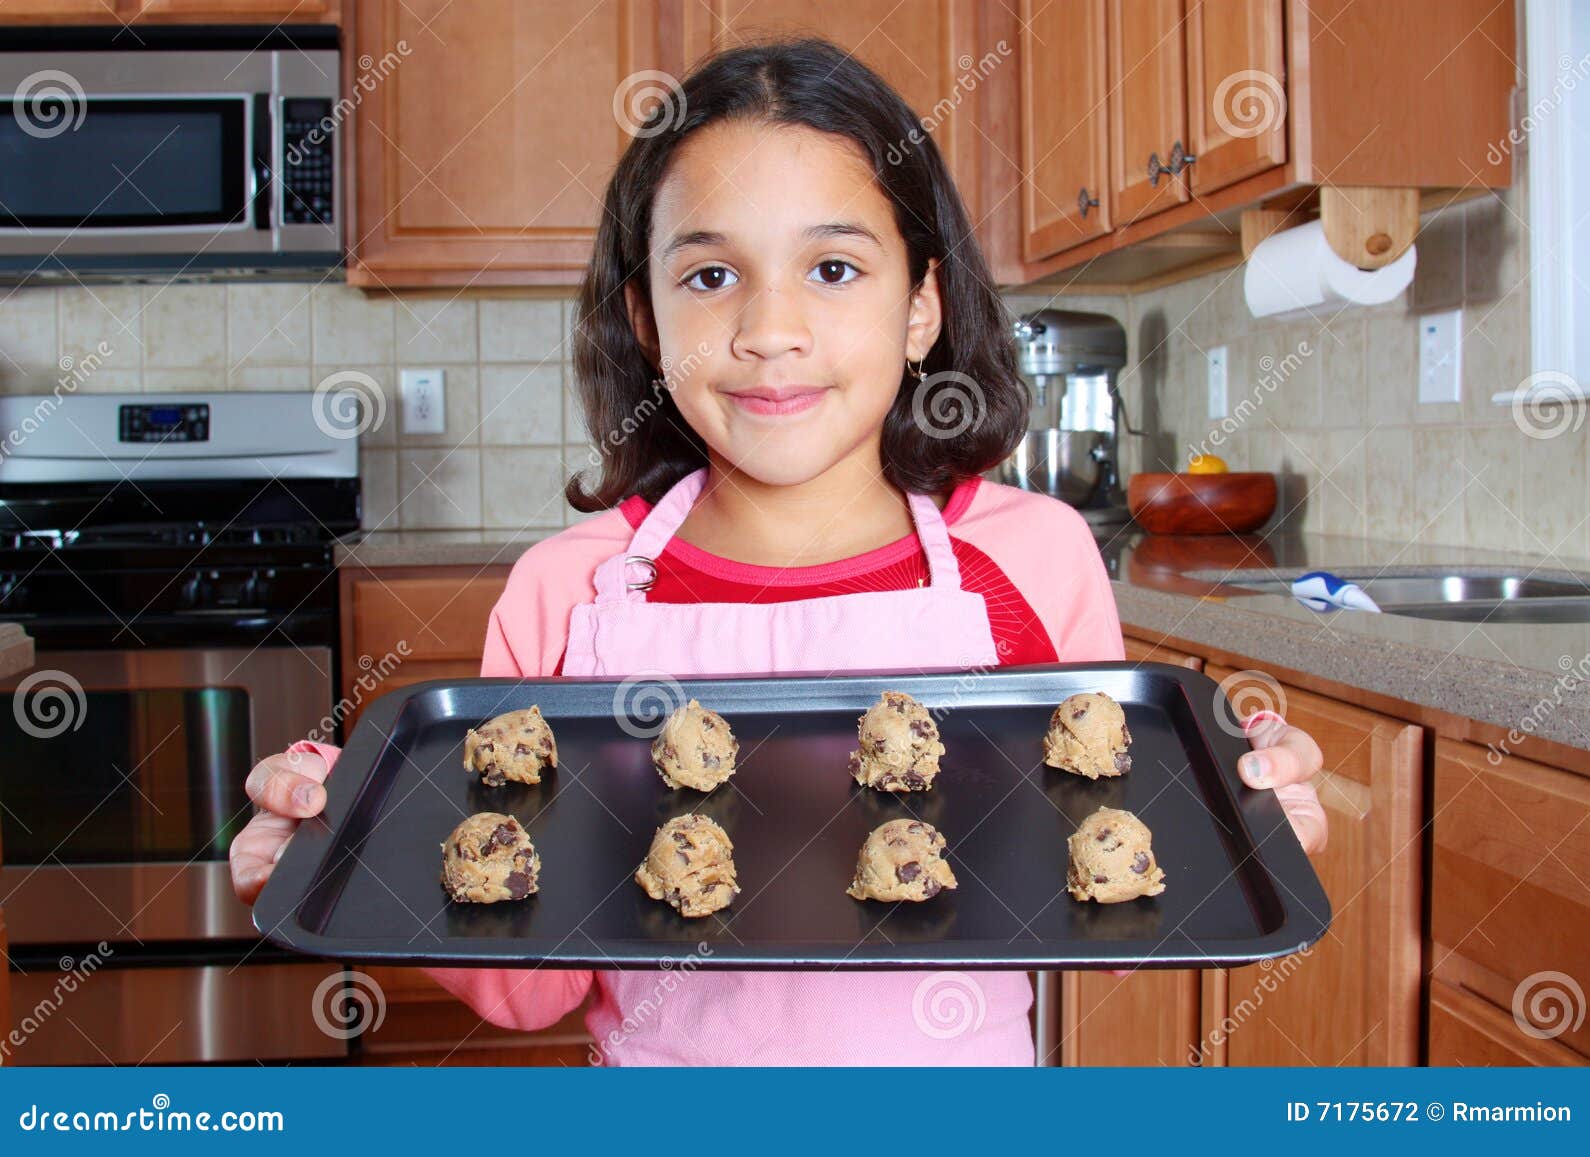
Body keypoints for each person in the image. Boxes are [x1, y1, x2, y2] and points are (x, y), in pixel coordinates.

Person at [232, 37, 1326, 1065]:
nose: (769, 328)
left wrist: (1250, 822)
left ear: (920, 305)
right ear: (648, 321)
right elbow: (527, 981)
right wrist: (344, 851)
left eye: (834, 269)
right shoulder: (570, 592)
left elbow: (1100, 884)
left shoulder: (1032, 561)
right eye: (710, 276)